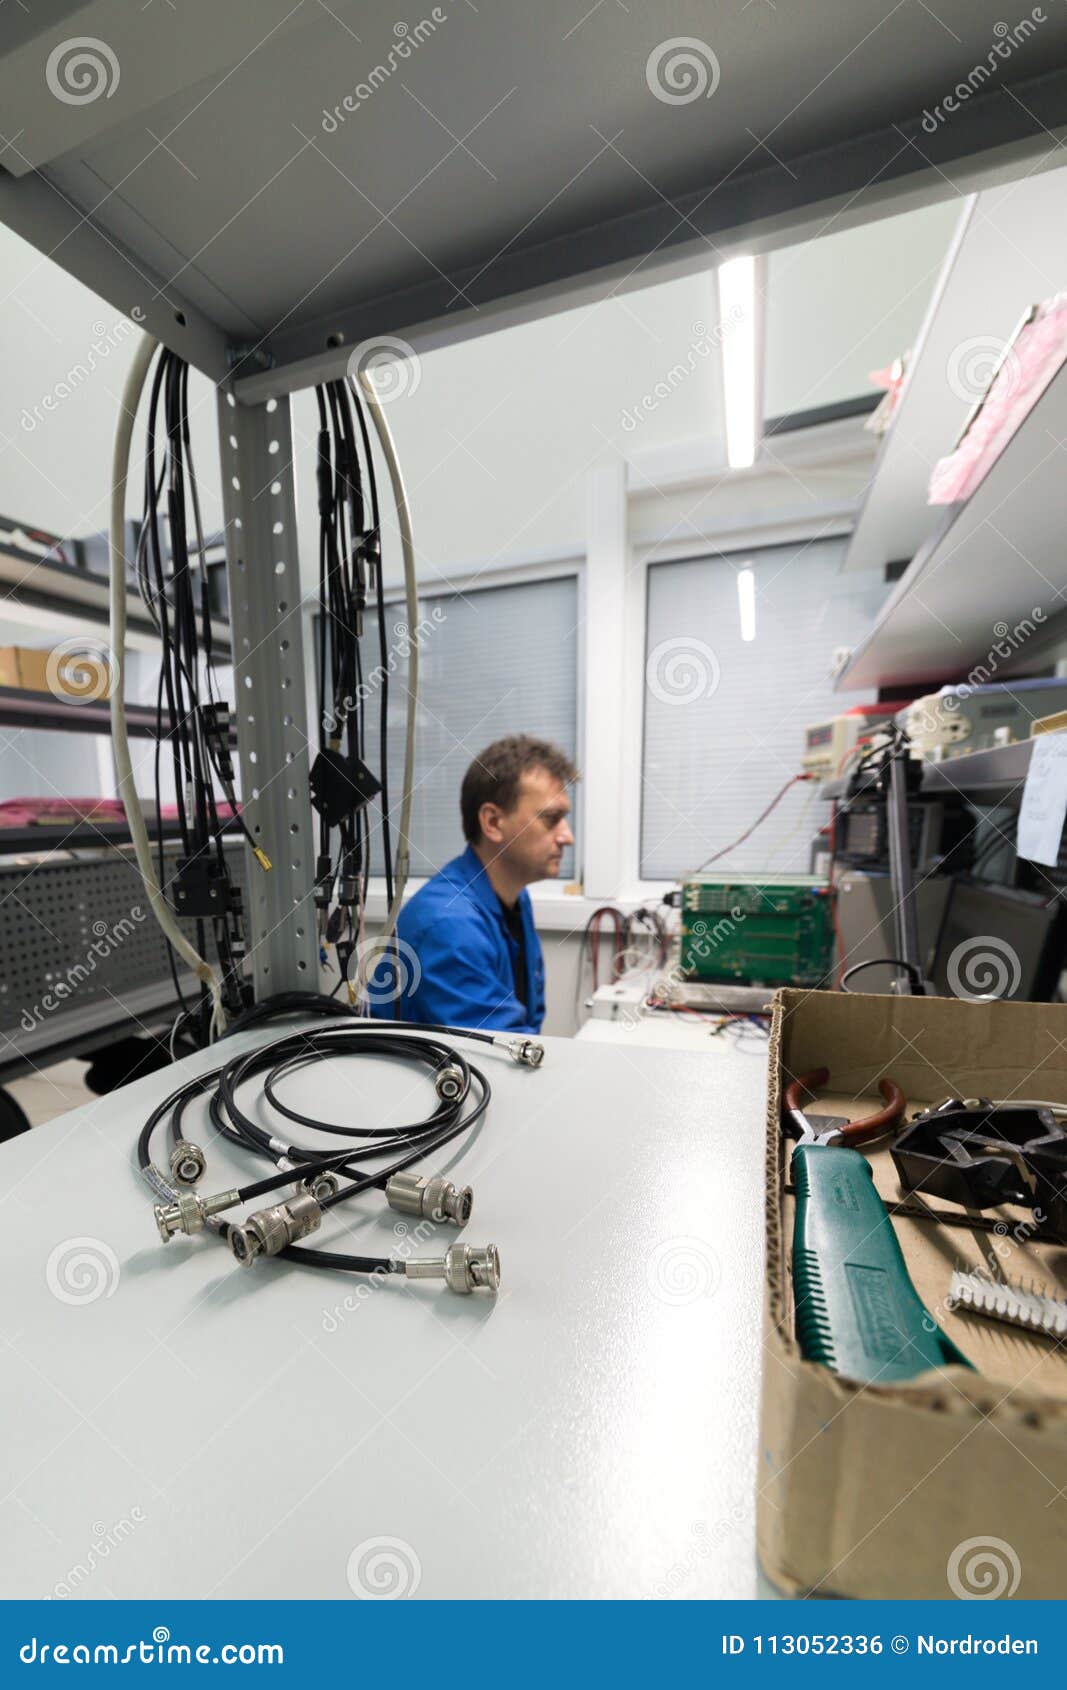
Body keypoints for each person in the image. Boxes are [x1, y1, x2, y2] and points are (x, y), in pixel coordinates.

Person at [372, 735, 577, 1032]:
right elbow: (502, 1050)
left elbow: (527, 1022)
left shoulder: (515, 898)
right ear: (493, 822)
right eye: (551, 819)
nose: (567, 837)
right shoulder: (448, 924)